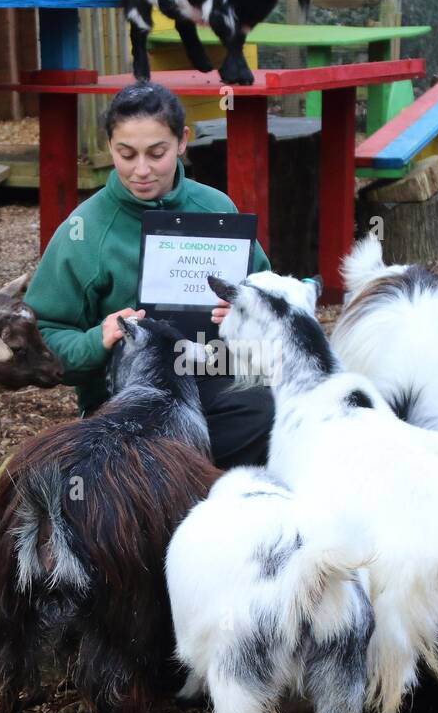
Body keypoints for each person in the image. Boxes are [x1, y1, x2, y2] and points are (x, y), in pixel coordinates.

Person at [24, 82, 274, 468]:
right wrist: (98, 340)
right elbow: (41, 339)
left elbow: (266, 297)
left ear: (182, 142)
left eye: (157, 153)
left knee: (265, 411)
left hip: (210, 373)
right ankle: (177, 489)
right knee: (147, 439)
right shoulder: (84, 230)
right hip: (126, 396)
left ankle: (198, 495)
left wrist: (244, 312)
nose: (141, 170)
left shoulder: (215, 207)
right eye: (126, 154)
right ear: (109, 147)